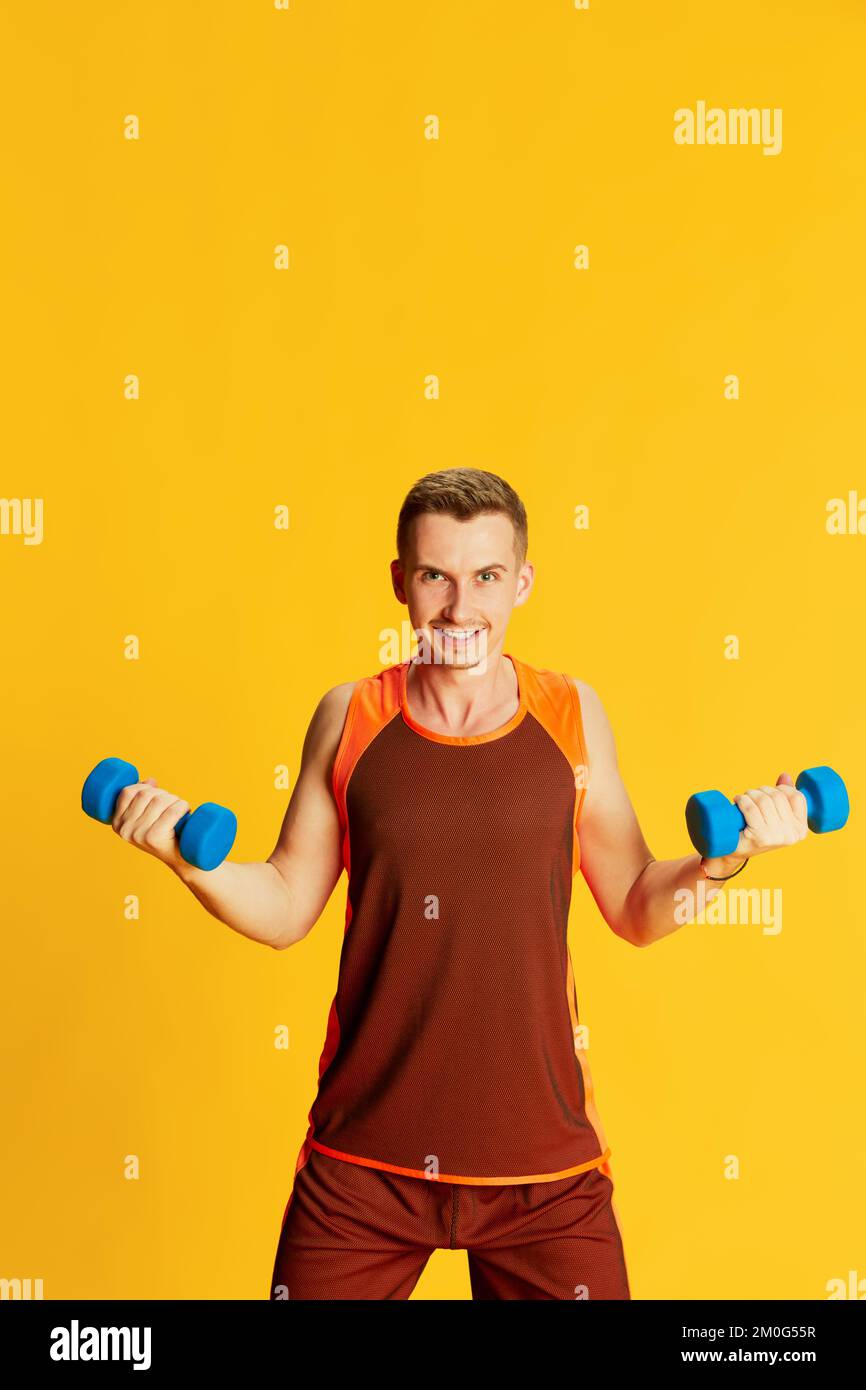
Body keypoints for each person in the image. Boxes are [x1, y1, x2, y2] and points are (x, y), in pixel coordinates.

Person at [110, 468, 810, 1300]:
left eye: (485, 577)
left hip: (543, 1169)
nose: (459, 607)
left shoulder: (571, 715)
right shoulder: (350, 717)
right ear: (400, 581)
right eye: (435, 576)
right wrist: (192, 862)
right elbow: (285, 906)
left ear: (522, 582)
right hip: (364, 1164)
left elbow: (634, 907)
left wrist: (723, 864)